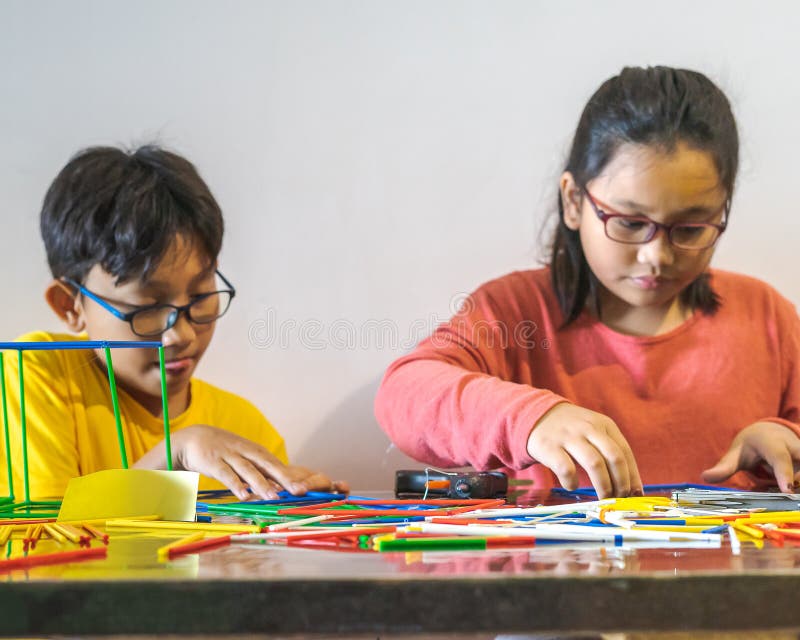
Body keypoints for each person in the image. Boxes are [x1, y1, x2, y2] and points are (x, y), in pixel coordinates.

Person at [375, 66, 800, 499]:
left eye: (691, 228)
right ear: (574, 201)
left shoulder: (768, 318)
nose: (657, 255)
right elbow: (403, 394)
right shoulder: (514, 312)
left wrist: (787, 440)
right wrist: (529, 419)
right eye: (631, 222)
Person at [0, 145, 347, 500]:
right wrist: (173, 455)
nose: (180, 335)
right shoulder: (38, 373)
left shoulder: (244, 427)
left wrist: (298, 510)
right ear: (70, 306)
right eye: (147, 308)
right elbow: (46, 535)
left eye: (199, 295)